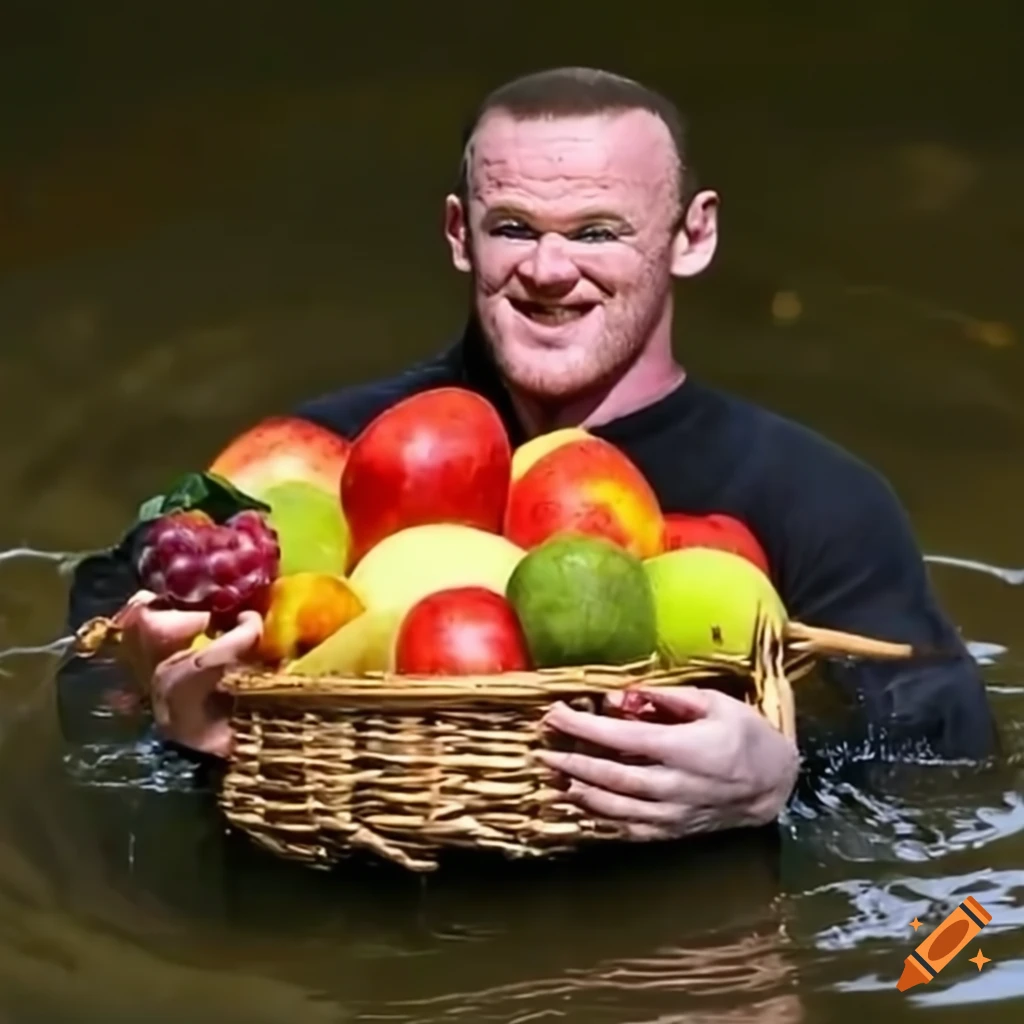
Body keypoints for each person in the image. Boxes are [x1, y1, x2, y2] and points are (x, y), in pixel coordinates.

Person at [62, 66, 997, 849]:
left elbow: (952, 766)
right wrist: (171, 737)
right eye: (512, 226)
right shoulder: (320, 461)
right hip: (360, 949)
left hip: (677, 962)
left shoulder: (816, 498)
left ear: (693, 235)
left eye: (598, 231)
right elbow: (90, 678)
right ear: (458, 233)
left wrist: (786, 784)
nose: (549, 271)